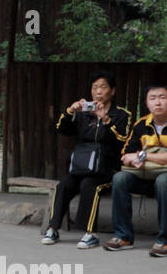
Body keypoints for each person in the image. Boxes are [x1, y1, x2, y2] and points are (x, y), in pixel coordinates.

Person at [41, 72, 130, 249]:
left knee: (90, 185)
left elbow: (123, 140)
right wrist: (71, 111)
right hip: (82, 166)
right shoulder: (84, 113)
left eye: (103, 87)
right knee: (63, 184)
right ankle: (53, 228)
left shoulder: (121, 115)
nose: (98, 92)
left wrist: (105, 119)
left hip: (107, 169)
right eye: (95, 87)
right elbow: (61, 129)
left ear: (112, 91)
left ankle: (90, 233)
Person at [104, 81, 167, 257]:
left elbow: (139, 154)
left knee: (164, 181)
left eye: (163, 97)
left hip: (163, 179)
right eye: (153, 98)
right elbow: (125, 155)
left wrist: (145, 156)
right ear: (146, 103)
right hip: (144, 176)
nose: (158, 102)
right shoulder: (141, 124)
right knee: (120, 178)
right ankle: (123, 237)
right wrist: (133, 161)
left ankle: (164, 241)